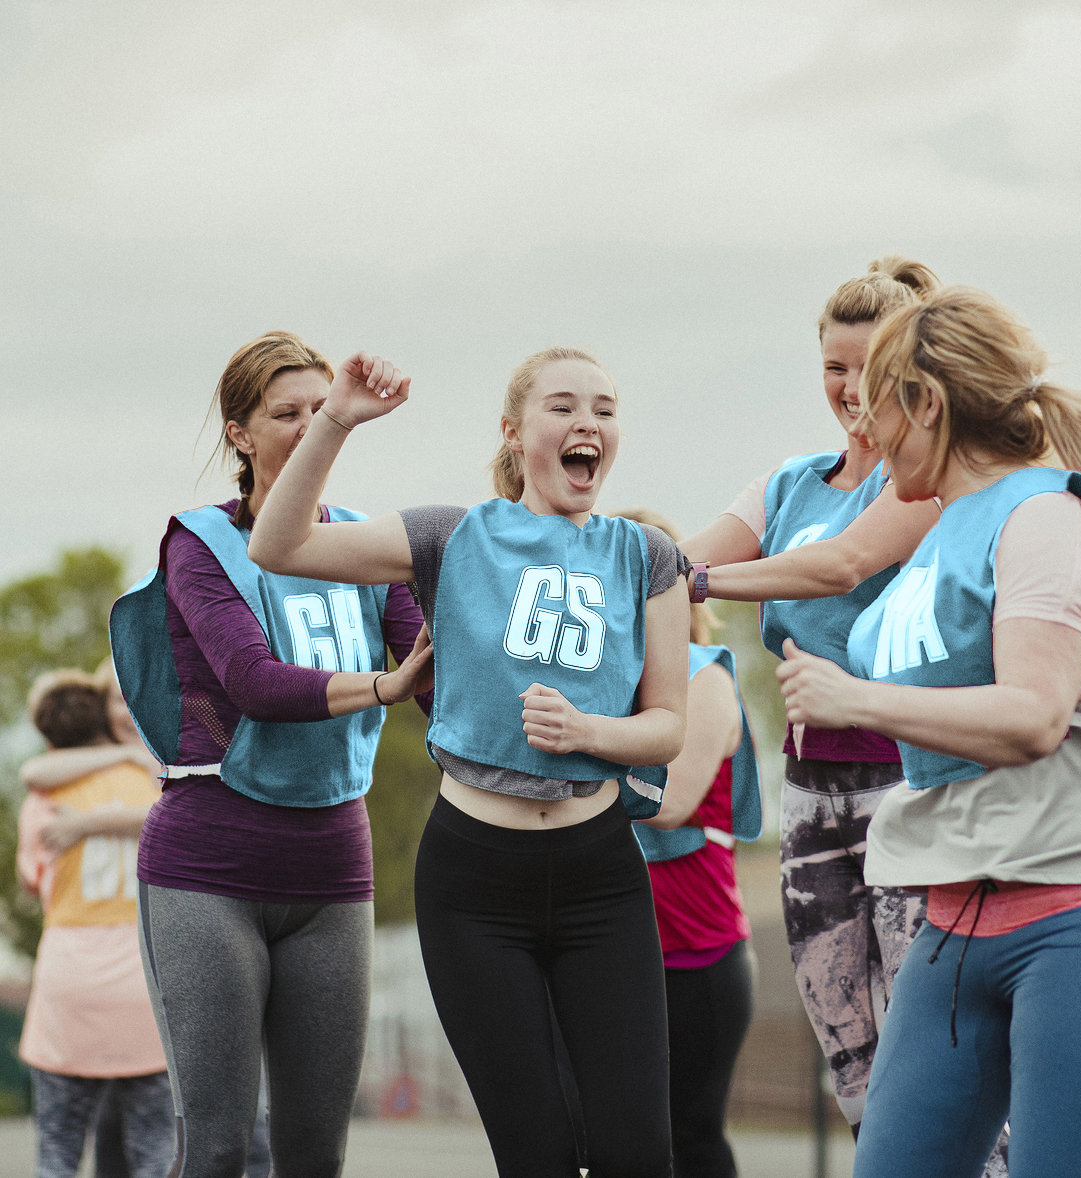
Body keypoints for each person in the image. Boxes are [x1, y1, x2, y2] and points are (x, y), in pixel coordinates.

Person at [773, 286, 1081, 1178]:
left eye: (878, 402)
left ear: (927, 404)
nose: (864, 425)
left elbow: (1034, 715)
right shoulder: (932, 535)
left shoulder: (1041, 517)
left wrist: (855, 700)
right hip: (955, 911)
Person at [248, 345, 691, 1178]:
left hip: (600, 875)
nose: (587, 422)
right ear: (515, 433)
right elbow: (279, 545)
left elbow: (667, 726)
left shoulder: (647, 556)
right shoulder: (449, 537)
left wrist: (588, 732)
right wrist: (337, 417)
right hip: (474, 883)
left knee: (638, 1152)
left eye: (604, 409)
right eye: (563, 406)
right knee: (537, 1154)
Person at [108, 331, 432, 1178]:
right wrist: (382, 686)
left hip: (333, 868)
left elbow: (433, 678)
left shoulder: (366, 542)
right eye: (288, 414)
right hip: (208, 867)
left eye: (323, 411)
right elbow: (254, 683)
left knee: (315, 1155)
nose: (311, 427)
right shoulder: (199, 542)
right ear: (240, 434)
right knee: (218, 1149)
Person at [682, 257, 989, 1152]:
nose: (851, 388)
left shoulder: (922, 480)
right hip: (811, 790)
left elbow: (841, 564)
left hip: (906, 782)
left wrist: (699, 580)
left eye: (870, 367)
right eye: (834, 367)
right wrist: (607, 559)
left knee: (926, 1049)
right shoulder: (788, 484)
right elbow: (682, 557)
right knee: (850, 1051)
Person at [619, 508, 762, 1178]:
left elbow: (670, 803)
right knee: (613, 1139)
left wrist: (574, 752)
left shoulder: (706, 680)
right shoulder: (603, 685)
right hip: (614, 951)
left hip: (695, 952)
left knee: (691, 1137)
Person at [17, 671, 173, 1178]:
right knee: (155, 1155)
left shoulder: (44, 797)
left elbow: (31, 878)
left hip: (69, 990)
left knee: (58, 1154)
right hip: (145, 987)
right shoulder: (156, 780)